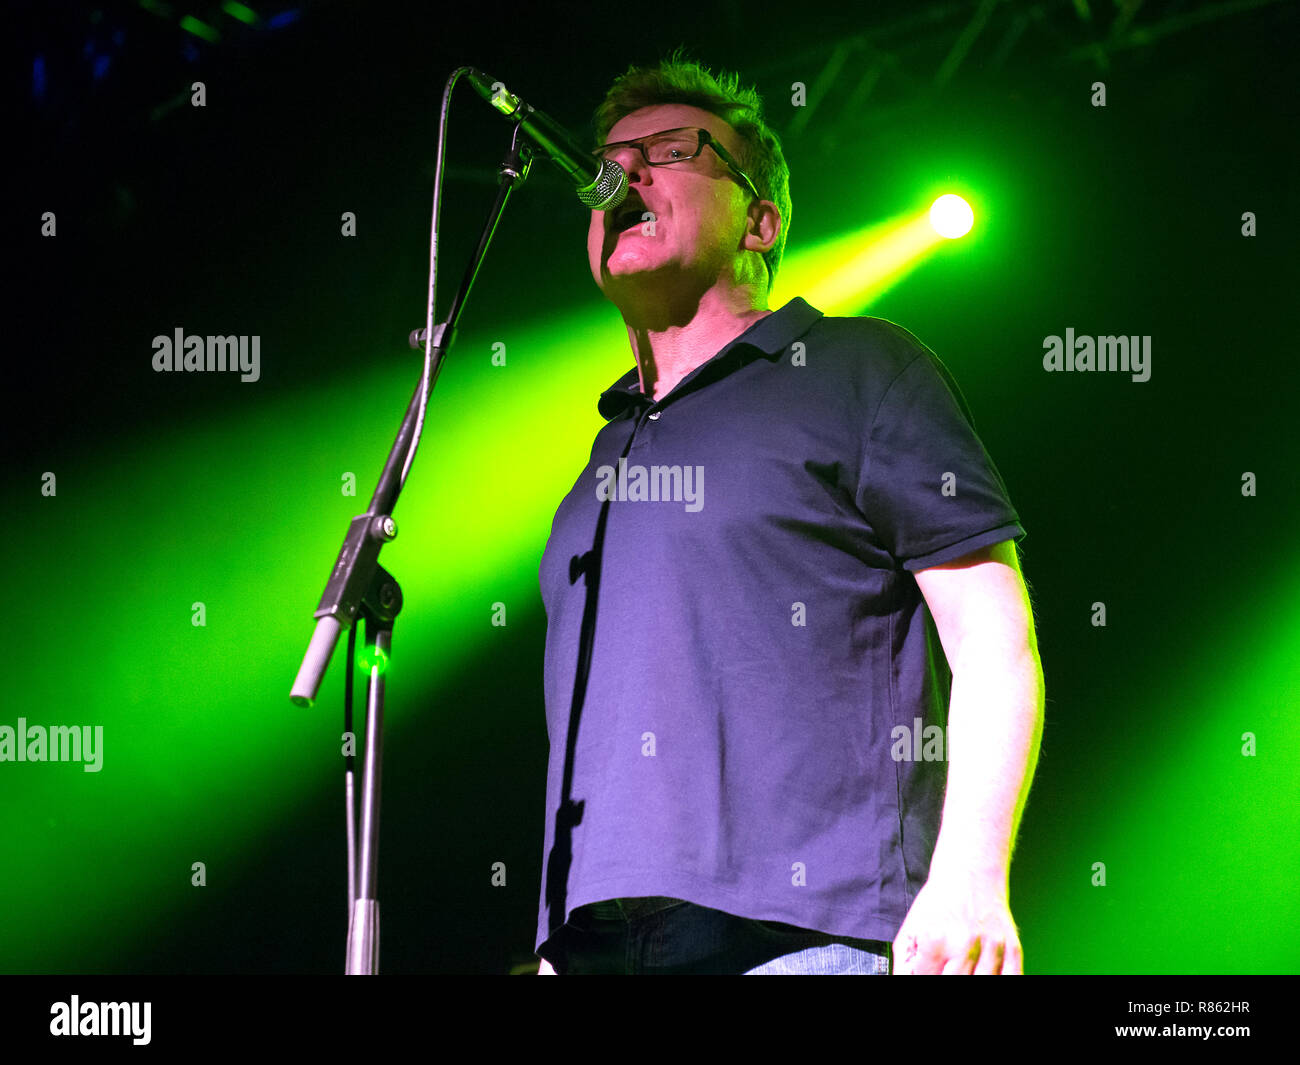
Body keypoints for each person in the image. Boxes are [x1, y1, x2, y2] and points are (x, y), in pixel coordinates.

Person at [533, 50, 1044, 975]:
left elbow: (991, 632)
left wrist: (971, 871)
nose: (626, 173)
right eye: (612, 157)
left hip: (806, 940)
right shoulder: (596, 468)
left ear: (760, 220)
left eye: (673, 149)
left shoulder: (859, 369)